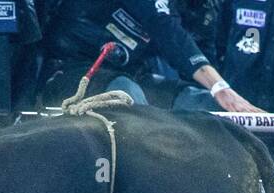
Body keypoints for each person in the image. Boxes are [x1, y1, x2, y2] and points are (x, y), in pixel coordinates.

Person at [39, 0, 261, 111]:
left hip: (134, 74)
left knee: (207, 105)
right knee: (127, 95)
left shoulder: (202, 6)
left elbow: (202, 44)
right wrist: (221, 88)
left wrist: (226, 99)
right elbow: (168, 32)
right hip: (70, 71)